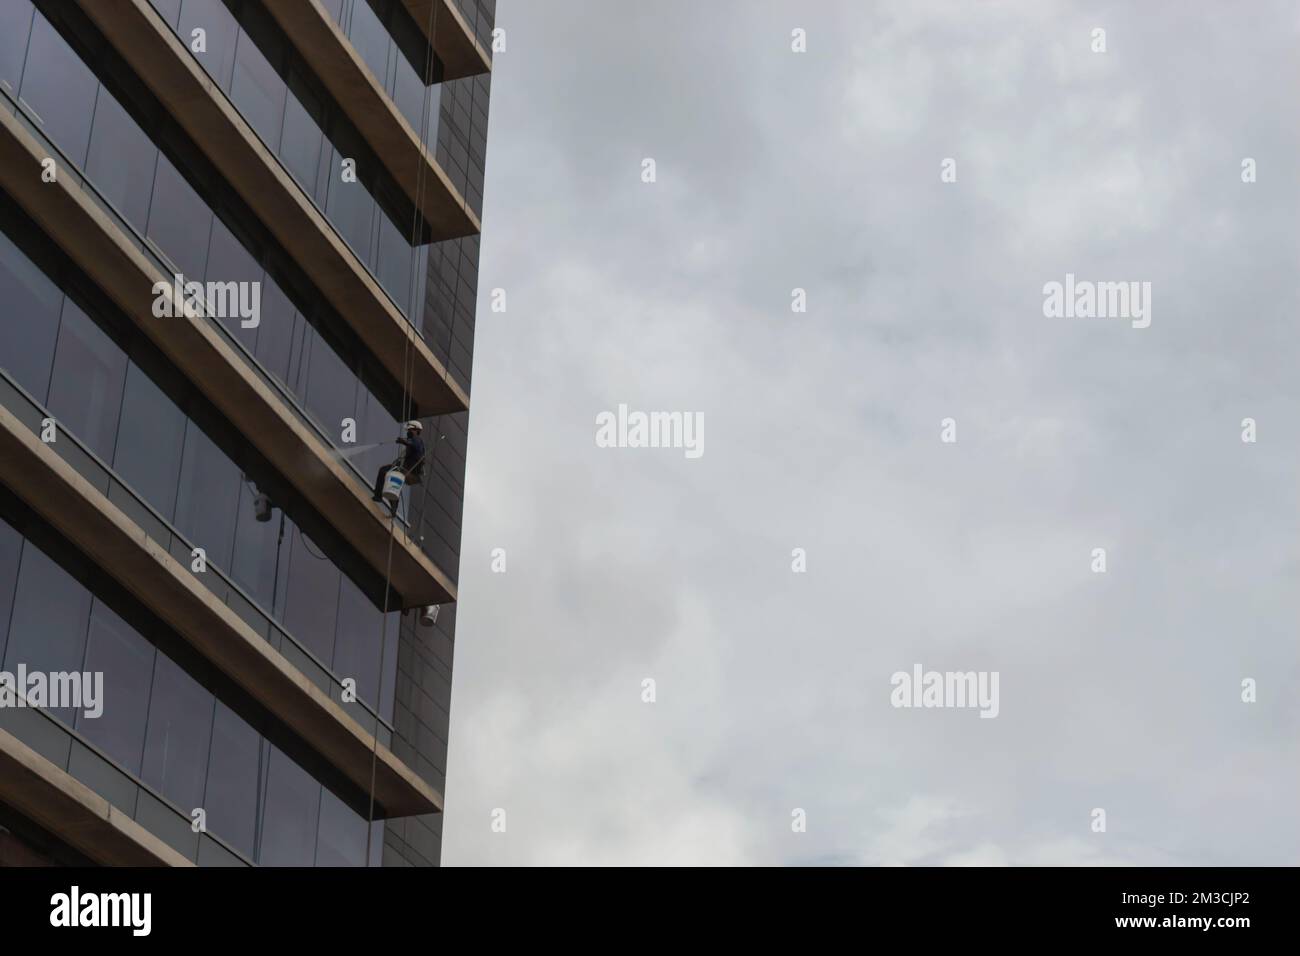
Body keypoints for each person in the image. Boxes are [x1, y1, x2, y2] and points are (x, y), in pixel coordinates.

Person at [371, 420, 425, 502]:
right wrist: (405, 442)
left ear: (416, 430)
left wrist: (404, 442)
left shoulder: (417, 440)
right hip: (407, 470)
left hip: (411, 472)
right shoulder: (413, 441)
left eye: (410, 430)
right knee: (392, 484)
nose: (408, 432)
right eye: (408, 430)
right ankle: (392, 507)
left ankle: (378, 496)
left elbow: (415, 446)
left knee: (384, 472)